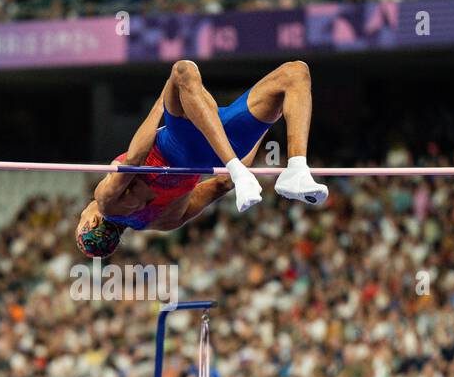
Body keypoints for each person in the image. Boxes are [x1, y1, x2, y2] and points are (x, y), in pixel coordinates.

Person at [75, 59, 327, 258]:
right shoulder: (106, 201)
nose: (83, 212)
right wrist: (161, 102)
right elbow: (135, 157)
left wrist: (265, 125)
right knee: (183, 70)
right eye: (82, 219)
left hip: (222, 141)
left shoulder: (165, 222)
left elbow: (223, 183)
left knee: (295, 73)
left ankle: (297, 168)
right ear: (93, 220)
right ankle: (238, 164)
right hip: (183, 141)